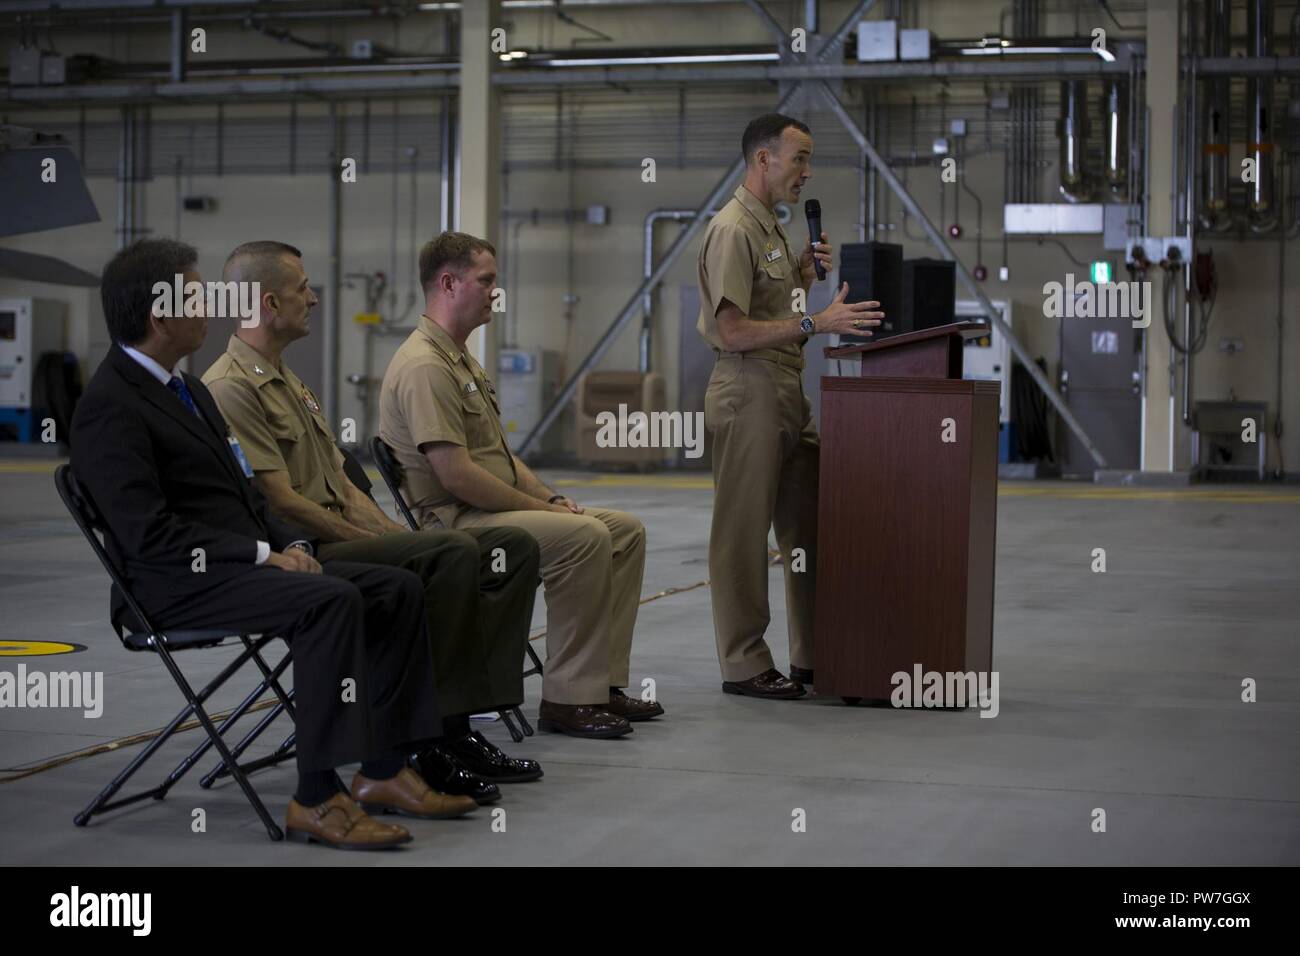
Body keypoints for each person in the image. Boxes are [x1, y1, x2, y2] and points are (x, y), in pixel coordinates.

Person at [71, 237, 477, 850]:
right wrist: (265, 556)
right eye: (195, 294)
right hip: (172, 585)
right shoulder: (110, 406)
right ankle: (318, 798)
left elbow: (251, 497)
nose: (209, 304)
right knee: (327, 602)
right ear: (160, 316)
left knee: (395, 587)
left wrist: (293, 545)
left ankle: (385, 768)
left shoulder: (188, 391)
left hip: (233, 567)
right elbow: (147, 534)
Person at [203, 241, 543, 802]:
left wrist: (395, 536)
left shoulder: (289, 381)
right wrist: (375, 541)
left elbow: (346, 486)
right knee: (451, 554)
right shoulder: (232, 387)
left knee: (509, 546)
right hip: (309, 549)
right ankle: (436, 737)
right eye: (301, 290)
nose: (313, 298)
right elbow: (282, 503)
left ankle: (466, 712)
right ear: (266, 303)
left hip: (345, 535)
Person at [379, 232, 662, 739]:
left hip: (488, 511)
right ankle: (568, 699)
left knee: (623, 530)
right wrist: (551, 514)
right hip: (456, 522)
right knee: (585, 537)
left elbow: (502, 458)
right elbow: (457, 475)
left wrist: (550, 499)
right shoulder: (425, 365)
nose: (495, 291)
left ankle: (601, 683)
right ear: (449, 283)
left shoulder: (460, 359)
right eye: (486, 281)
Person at [696, 113, 883, 699]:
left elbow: (770, 311)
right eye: (799, 157)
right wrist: (816, 320)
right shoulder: (733, 229)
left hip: (785, 389)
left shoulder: (771, 230)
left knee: (809, 526)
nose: (807, 170)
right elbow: (731, 332)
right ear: (763, 160)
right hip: (748, 387)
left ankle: (812, 653)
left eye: (808, 159)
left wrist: (800, 275)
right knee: (743, 533)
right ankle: (745, 663)